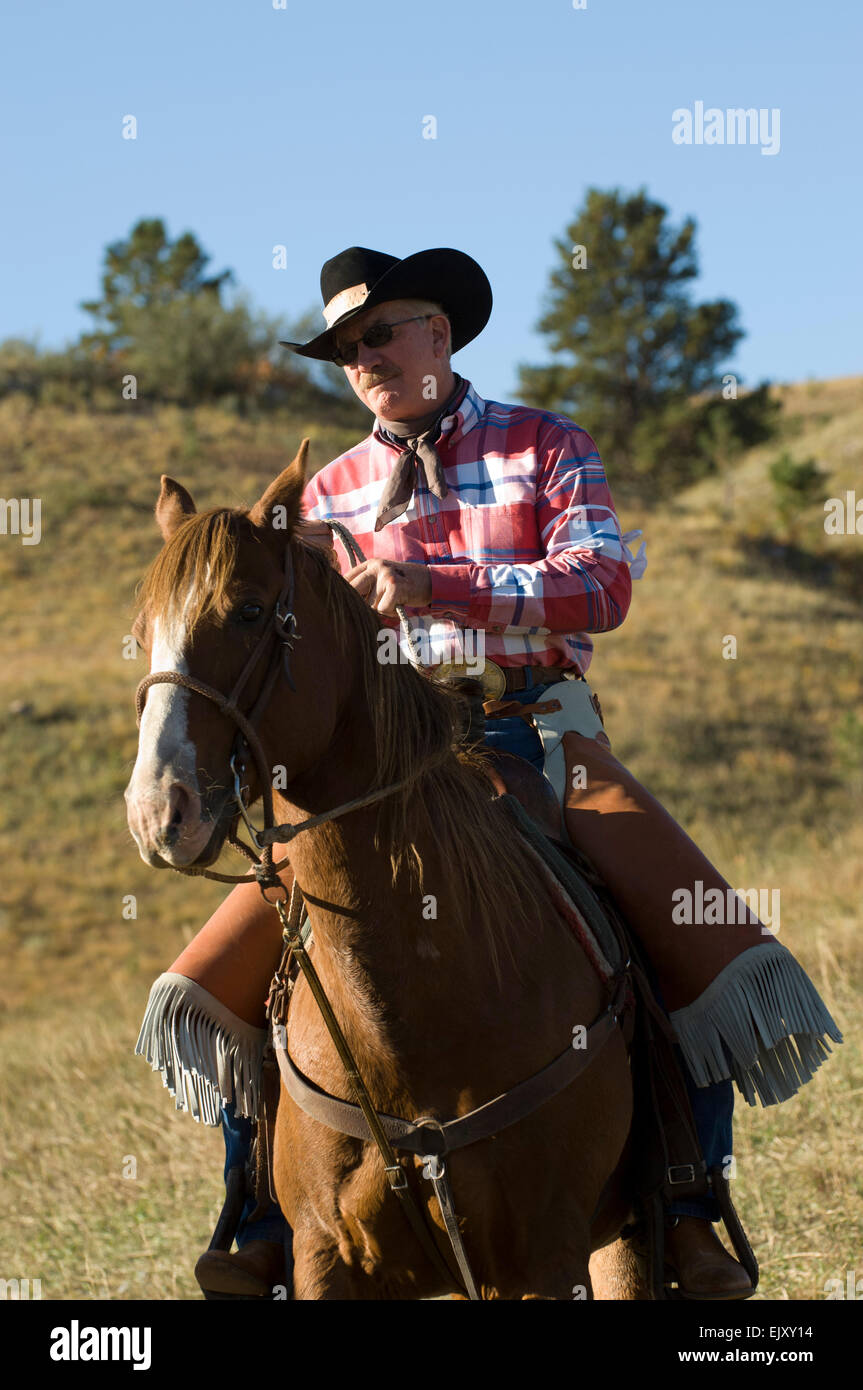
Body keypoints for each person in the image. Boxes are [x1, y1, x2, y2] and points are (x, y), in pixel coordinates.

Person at [136, 246, 841, 1301]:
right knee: (240, 965)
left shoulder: (544, 445)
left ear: (440, 334)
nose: (362, 357)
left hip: (528, 725)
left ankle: (689, 1201)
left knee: (666, 913)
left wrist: (431, 583)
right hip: (376, 759)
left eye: (380, 332)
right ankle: (256, 1213)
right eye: (342, 347)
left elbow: (600, 583)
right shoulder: (322, 496)